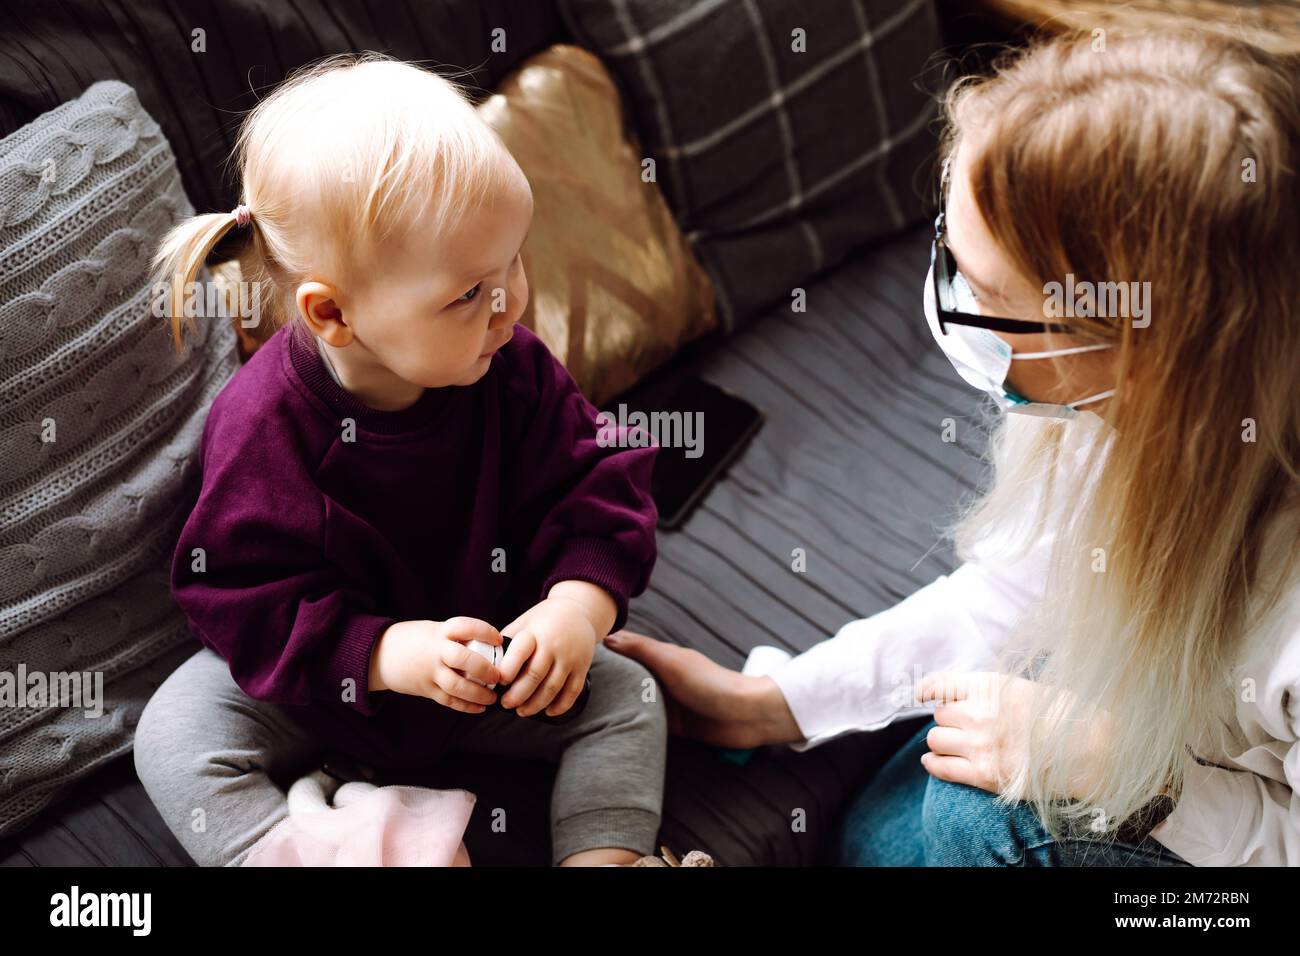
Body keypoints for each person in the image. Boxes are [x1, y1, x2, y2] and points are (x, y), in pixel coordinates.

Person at [606, 29, 1300, 867]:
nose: (946, 303)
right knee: (887, 824)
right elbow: (1010, 593)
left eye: (989, 297)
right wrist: (763, 705)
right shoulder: (1110, 423)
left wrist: (1138, 776)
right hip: (1160, 726)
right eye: (949, 255)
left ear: (1149, 352)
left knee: (974, 817)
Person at [134, 54, 692, 867]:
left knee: (630, 694)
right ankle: (293, 851)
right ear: (333, 314)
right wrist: (385, 655)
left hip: (489, 662)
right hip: (325, 689)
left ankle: (601, 857)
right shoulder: (263, 429)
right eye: (468, 292)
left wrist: (576, 609)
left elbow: (598, 485)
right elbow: (239, 598)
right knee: (174, 733)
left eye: (514, 262)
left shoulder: (513, 365)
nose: (510, 303)